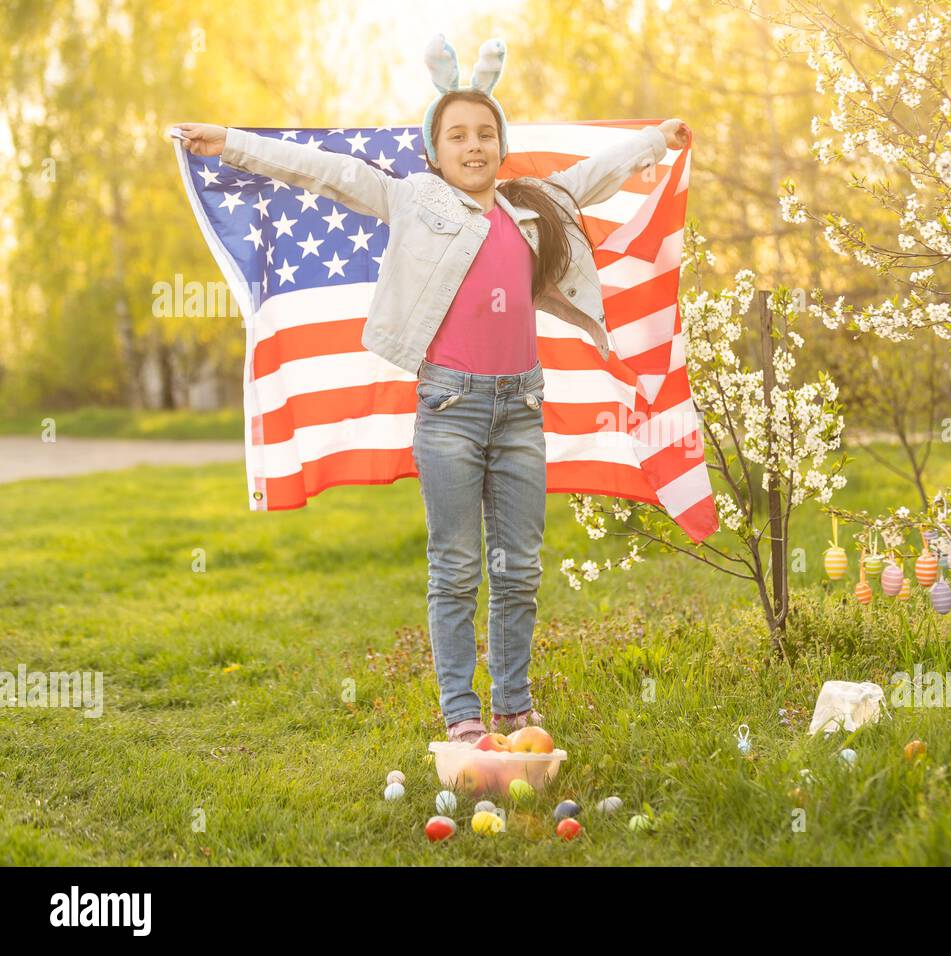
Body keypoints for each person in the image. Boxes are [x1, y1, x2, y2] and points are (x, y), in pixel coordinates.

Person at [173, 34, 689, 743]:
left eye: (485, 133)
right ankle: (462, 716)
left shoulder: (534, 205)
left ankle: (513, 704)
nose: (473, 146)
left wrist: (656, 140)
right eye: (457, 135)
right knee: (455, 567)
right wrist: (229, 142)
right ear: (435, 149)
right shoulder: (412, 200)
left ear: (501, 144)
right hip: (448, 409)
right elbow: (321, 171)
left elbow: (598, 172)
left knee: (518, 569)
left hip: (521, 411)